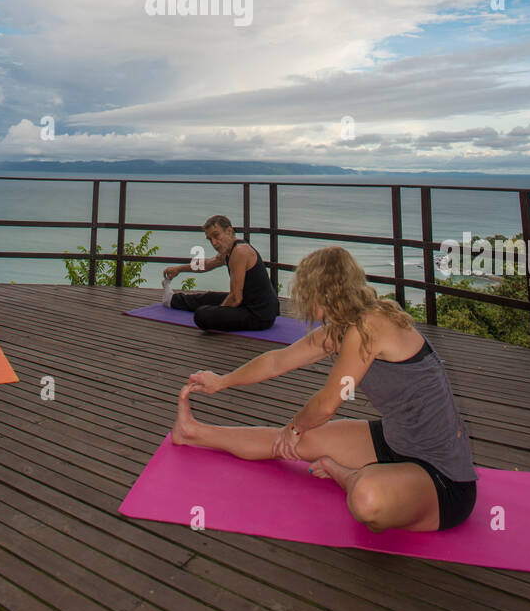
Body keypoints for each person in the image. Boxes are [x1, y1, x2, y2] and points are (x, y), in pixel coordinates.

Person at [171, 245, 478, 533]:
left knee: (366, 498)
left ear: (319, 292)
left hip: (444, 477)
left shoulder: (371, 325)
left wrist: (294, 426)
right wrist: (222, 380)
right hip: (395, 440)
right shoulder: (343, 330)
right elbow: (278, 361)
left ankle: (345, 474)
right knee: (301, 440)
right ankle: (193, 432)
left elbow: (330, 402)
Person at [161, 214, 280, 332]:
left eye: (216, 236)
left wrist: (217, 314)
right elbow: (206, 264)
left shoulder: (240, 251)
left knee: (202, 315)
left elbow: (235, 298)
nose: (214, 243)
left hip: (260, 315)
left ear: (229, 231)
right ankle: (171, 300)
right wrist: (179, 269)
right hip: (247, 301)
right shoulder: (229, 250)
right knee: (209, 297)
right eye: (210, 239)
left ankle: (209, 313)